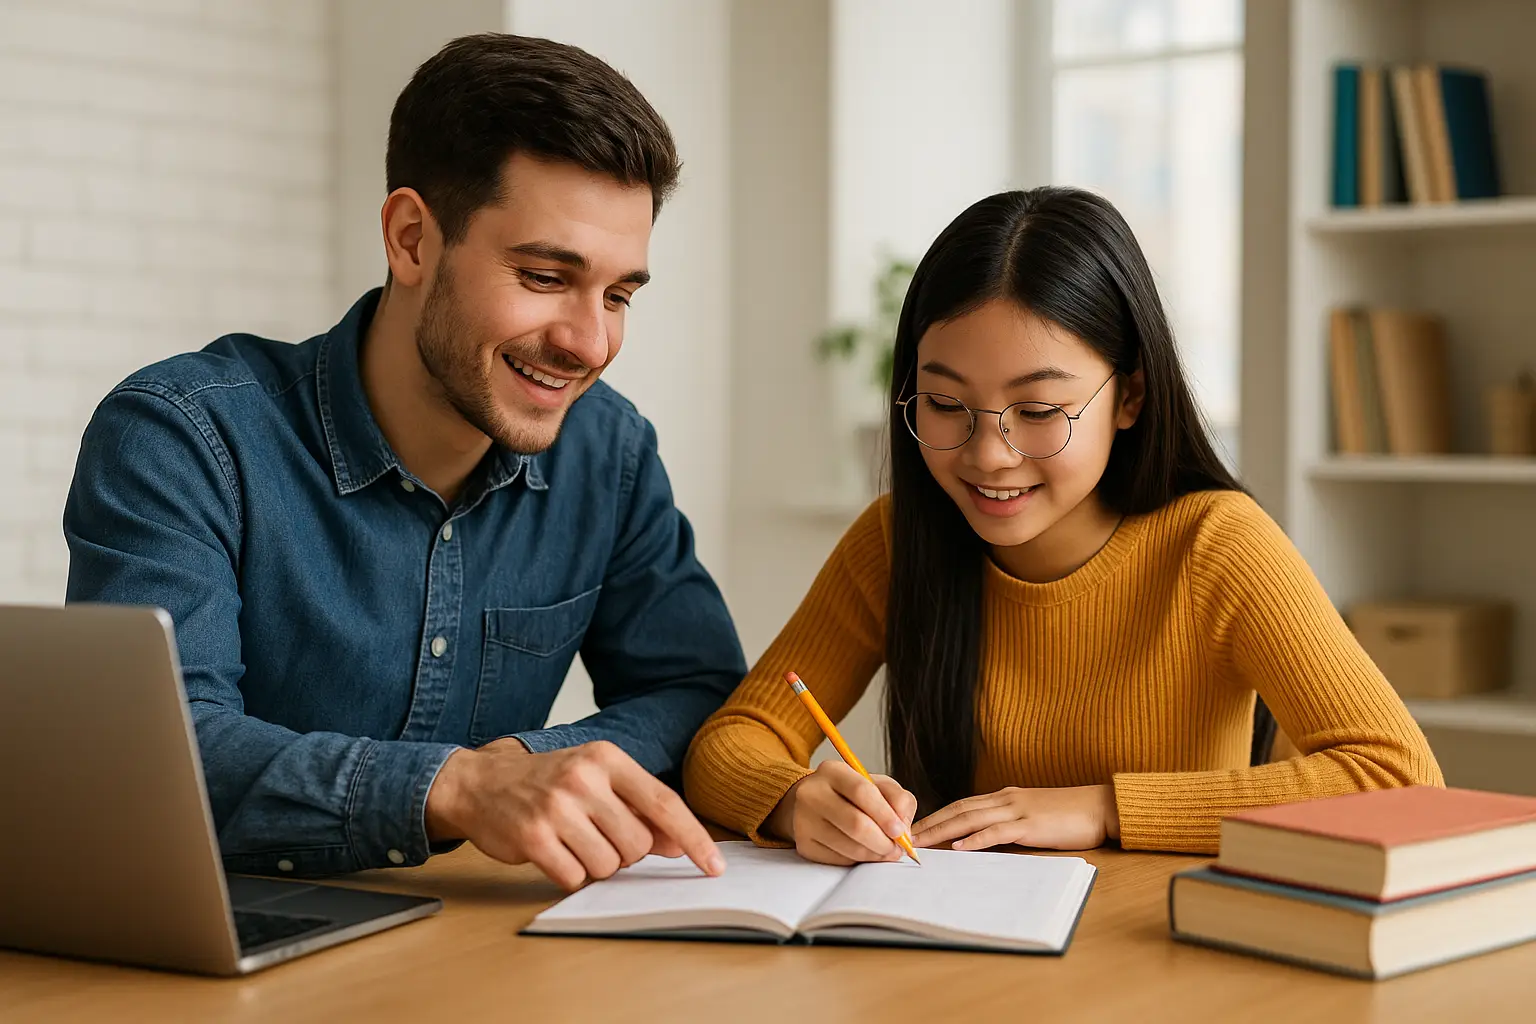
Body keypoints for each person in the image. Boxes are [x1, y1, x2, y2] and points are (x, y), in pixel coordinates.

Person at [64, 34, 743, 891]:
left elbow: (700, 695)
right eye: (542, 276)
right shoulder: (183, 438)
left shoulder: (609, 453)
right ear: (412, 238)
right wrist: (457, 787)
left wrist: (527, 764)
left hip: (467, 939)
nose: (590, 341)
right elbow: (158, 750)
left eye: (618, 295)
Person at [684, 186, 1441, 864]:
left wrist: (1104, 806)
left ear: (1131, 397)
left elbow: (1397, 776)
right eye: (946, 405)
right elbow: (730, 741)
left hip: (1163, 953)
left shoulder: (1216, 544)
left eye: (1040, 412)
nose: (988, 455)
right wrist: (794, 799)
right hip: (951, 956)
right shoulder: (895, 539)